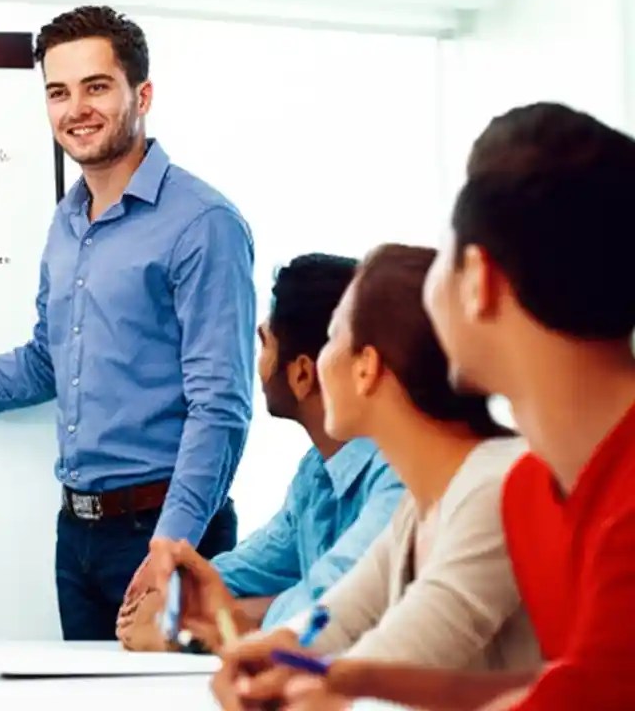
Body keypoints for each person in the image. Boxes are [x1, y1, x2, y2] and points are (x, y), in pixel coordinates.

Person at [0, 4, 256, 641]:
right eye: (58, 92)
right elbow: (44, 363)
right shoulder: (68, 223)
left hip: (165, 533)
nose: (75, 109)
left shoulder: (202, 224)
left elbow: (221, 406)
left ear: (141, 94)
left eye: (96, 87)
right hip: (79, 536)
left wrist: (172, 544)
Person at [286, 103, 635, 711]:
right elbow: (571, 686)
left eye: (443, 251)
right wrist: (333, 679)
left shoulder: (592, 500)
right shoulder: (534, 489)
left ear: (479, 279)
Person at [153, 244, 542, 711]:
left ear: (366, 367)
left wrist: (302, 669)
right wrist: (250, 640)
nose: (314, 365)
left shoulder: (491, 487)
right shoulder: (417, 510)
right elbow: (332, 619)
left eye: (331, 339)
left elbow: (400, 652)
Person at [117, 253, 403, 650]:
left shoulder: (398, 477)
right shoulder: (317, 471)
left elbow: (331, 609)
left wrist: (213, 625)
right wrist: (181, 597)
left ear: (302, 373)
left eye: (264, 344)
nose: (257, 363)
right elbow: (250, 568)